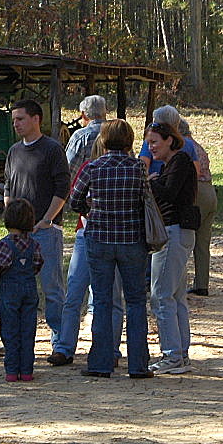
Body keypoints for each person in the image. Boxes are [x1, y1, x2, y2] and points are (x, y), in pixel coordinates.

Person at [69, 118, 152, 378]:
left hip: (100, 239)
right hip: (132, 239)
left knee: (102, 301)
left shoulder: (93, 167)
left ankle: (100, 363)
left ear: (104, 140)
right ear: (129, 141)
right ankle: (138, 364)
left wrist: (90, 212)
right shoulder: (138, 167)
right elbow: (146, 199)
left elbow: (74, 199)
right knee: (136, 302)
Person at [2, 99, 69, 365]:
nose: (16, 124)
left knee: (52, 289)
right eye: (14, 120)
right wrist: (11, 218)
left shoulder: (52, 149)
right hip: (18, 234)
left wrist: (47, 219)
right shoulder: (14, 151)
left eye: (20, 119)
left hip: (45, 231)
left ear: (36, 119)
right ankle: (15, 341)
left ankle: (61, 344)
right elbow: (8, 186)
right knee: (16, 289)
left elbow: (62, 188)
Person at [53, 131, 123, 367]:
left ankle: (110, 350)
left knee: (112, 297)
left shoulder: (126, 168)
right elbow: (75, 198)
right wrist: (88, 211)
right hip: (87, 233)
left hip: (113, 236)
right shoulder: (89, 168)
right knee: (74, 291)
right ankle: (64, 347)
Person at [145, 119, 198, 374]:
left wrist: (151, 182)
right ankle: (180, 352)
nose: (151, 148)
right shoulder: (171, 164)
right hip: (178, 232)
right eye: (148, 143)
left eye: (155, 142)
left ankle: (172, 354)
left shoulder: (180, 161)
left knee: (161, 295)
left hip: (174, 232)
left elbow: (169, 193)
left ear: (169, 140)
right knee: (176, 295)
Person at [0, 197, 41, 382]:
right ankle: (27, 371)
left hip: (9, 290)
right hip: (29, 289)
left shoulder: (5, 244)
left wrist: (0, 279)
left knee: (10, 331)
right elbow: (37, 264)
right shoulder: (34, 244)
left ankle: (11, 371)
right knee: (28, 331)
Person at [65, 95, 109, 179]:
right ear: (104, 113)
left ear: (83, 115)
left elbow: (69, 170)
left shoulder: (81, 136)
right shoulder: (117, 132)